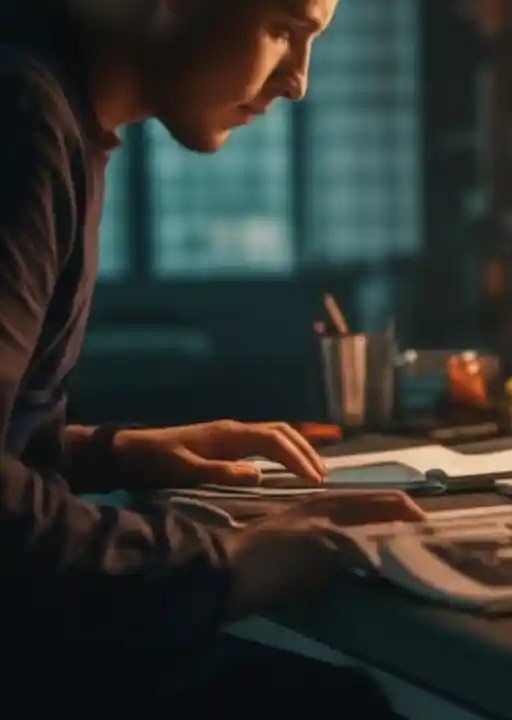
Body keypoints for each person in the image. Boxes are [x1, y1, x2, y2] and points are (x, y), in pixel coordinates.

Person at [1, 0, 425, 713]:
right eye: (284, 29)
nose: (298, 83)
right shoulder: (22, 114)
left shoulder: (60, 110)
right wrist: (218, 561)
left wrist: (112, 453)